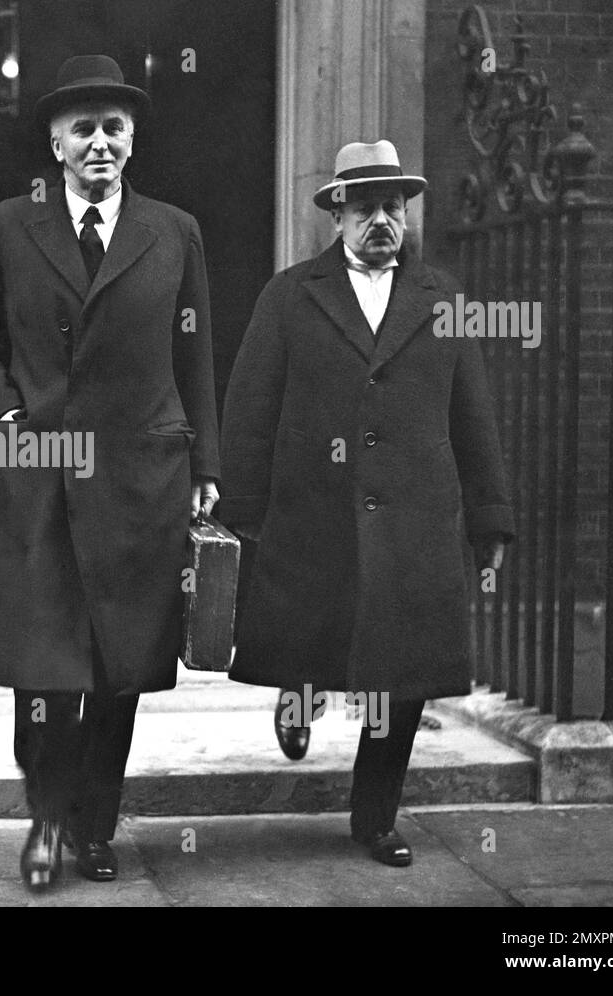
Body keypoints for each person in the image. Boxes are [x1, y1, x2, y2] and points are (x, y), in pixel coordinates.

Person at [0, 54, 220, 891]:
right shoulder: (9, 224)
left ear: (131, 143)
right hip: (41, 478)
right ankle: (43, 822)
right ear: (57, 143)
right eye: (84, 130)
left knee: (119, 671)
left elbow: (195, 353)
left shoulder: (174, 232)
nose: (100, 144)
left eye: (114, 130)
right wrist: (3, 420)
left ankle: (94, 826)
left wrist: (205, 463)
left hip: (142, 481)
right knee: (45, 672)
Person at [218, 140, 513, 866]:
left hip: (415, 516)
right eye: (364, 207)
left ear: (406, 215)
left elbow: (473, 414)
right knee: (311, 637)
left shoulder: (444, 301)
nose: (381, 221)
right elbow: (251, 404)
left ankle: (374, 816)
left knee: (402, 673)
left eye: (393, 208)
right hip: (312, 510)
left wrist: (490, 514)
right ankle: (297, 694)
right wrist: (243, 505)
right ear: (337, 215)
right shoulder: (289, 294)